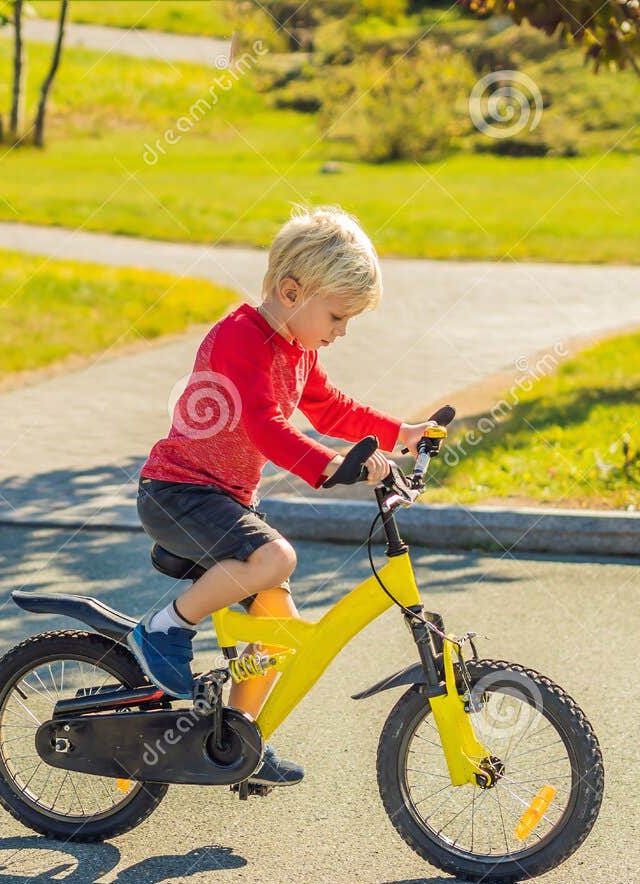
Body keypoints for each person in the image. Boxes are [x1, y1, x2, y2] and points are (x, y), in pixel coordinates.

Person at [129, 205, 435, 788]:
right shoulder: (241, 339)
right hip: (179, 492)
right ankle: (163, 627)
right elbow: (264, 425)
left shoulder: (299, 349)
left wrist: (401, 434)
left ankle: (239, 736)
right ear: (292, 291)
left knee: (277, 629)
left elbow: (330, 407)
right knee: (277, 558)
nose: (340, 332)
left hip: (224, 501)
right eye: (338, 316)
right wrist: (331, 466)